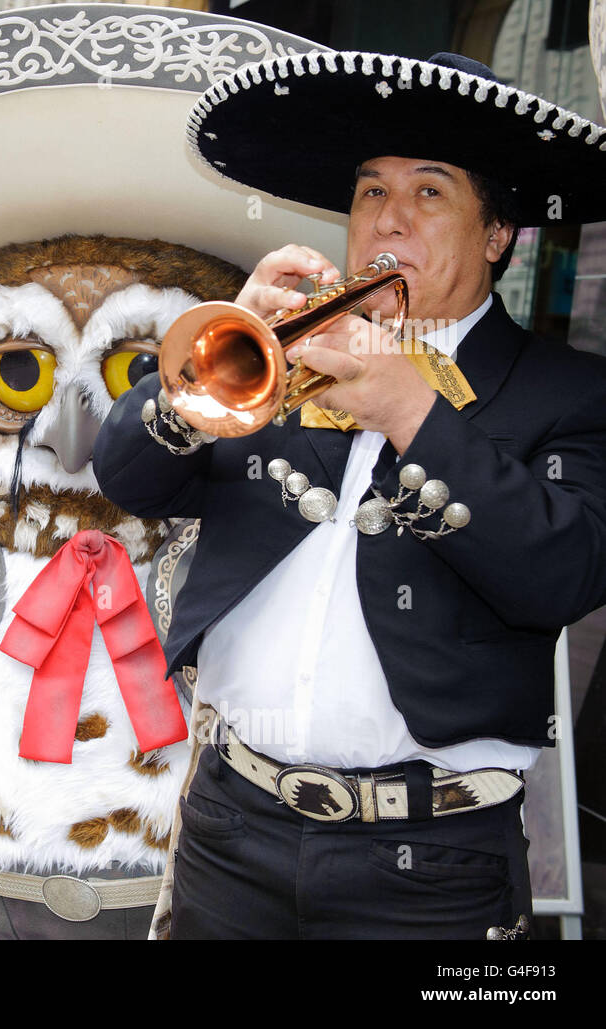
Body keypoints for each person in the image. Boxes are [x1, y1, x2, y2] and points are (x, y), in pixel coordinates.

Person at [93, 51, 606, 940]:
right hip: (229, 823)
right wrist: (211, 371)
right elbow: (126, 477)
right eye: (371, 192)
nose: (388, 220)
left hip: (434, 864)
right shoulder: (286, 352)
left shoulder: (570, 391)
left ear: (497, 235)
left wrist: (412, 410)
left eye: (429, 192)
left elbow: (562, 574)